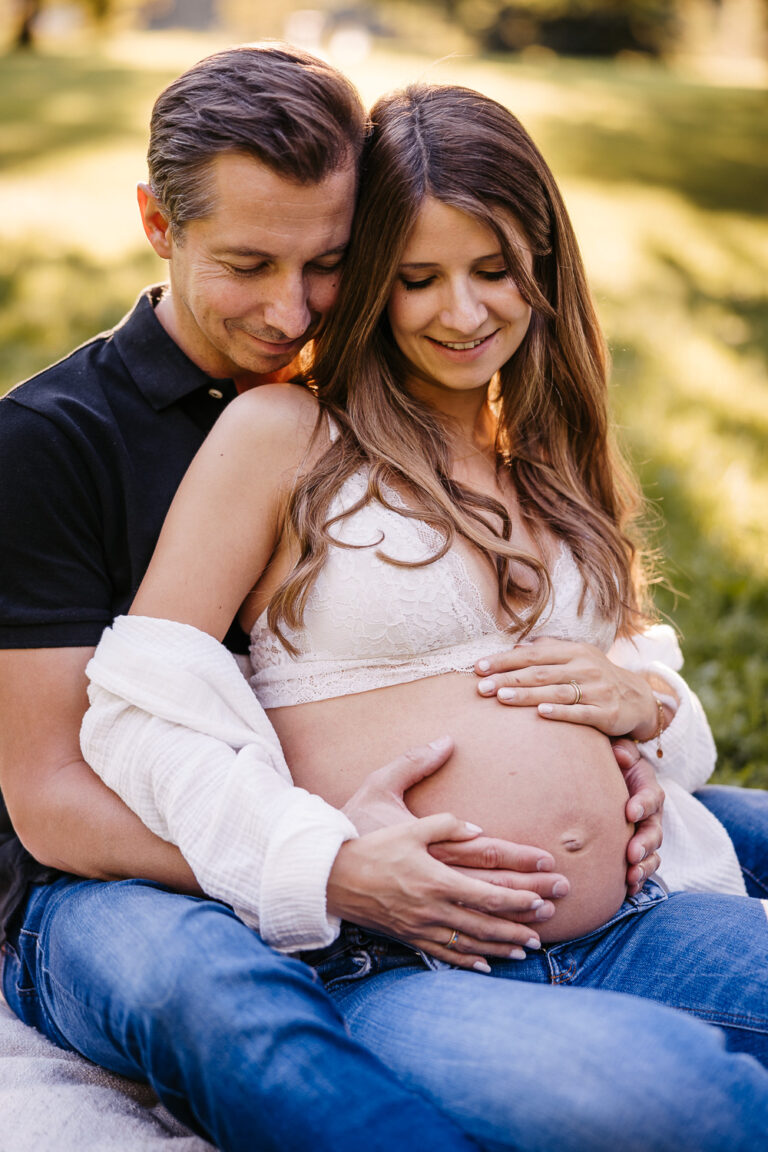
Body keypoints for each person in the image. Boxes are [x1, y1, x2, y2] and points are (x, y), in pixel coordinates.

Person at [0, 44, 766, 1151]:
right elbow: (57, 789)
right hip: (117, 882)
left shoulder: (472, 433)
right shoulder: (71, 441)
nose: (292, 308)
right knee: (217, 995)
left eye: (329, 265)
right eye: (250, 263)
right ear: (159, 226)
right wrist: (323, 870)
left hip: (579, 904)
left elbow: (612, 652)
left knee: (736, 826)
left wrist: (638, 732)